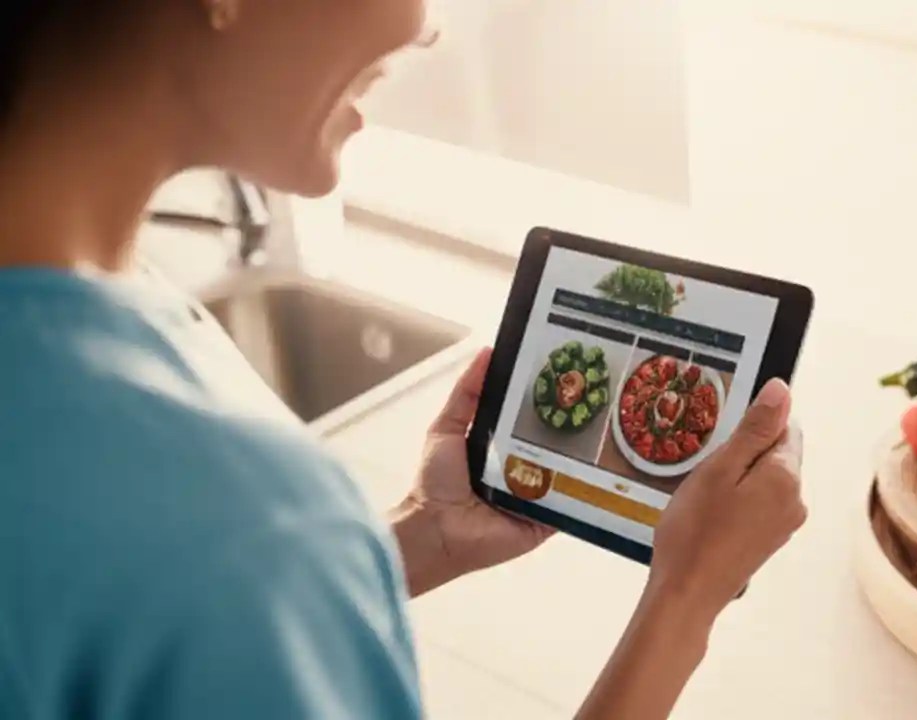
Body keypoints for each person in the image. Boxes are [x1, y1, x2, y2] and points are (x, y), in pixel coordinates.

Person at [0, 1, 808, 718]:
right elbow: (207, 566)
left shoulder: (91, 301)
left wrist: (413, 542)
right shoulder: (251, 526)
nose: (430, 28)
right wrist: (685, 598)